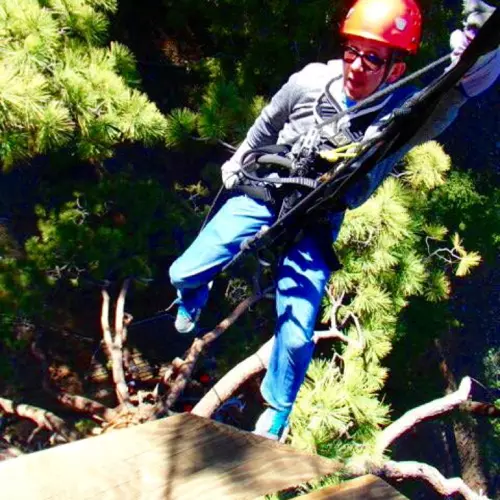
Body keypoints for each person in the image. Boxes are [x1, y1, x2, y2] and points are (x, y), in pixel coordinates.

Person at [169, 0, 499, 440]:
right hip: (269, 189)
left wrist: (479, 46)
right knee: (183, 270)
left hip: (318, 218)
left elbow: (460, 90)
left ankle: (277, 408)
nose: (357, 66)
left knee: (298, 327)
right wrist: (240, 161)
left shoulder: (403, 115)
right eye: (352, 51)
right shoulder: (309, 81)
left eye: (373, 58)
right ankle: (194, 288)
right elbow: (268, 124)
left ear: (396, 69)